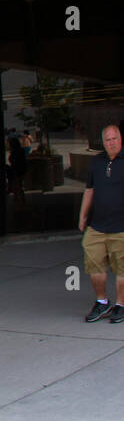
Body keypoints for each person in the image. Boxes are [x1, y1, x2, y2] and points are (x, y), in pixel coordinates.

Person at [79, 125, 124, 323]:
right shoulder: (97, 162)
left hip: (122, 227)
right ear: (103, 142)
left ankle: (121, 305)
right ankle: (102, 301)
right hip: (97, 226)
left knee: (122, 269)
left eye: (114, 138)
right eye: (107, 140)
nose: (111, 142)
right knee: (94, 264)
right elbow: (90, 190)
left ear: (120, 139)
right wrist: (82, 216)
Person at [7, 136, 27, 206]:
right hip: (20, 170)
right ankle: (19, 200)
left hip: (17, 170)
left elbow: (14, 161)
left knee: (17, 185)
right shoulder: (20, 150)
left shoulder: (16, 152)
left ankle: (20, 201)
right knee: (18, 185)